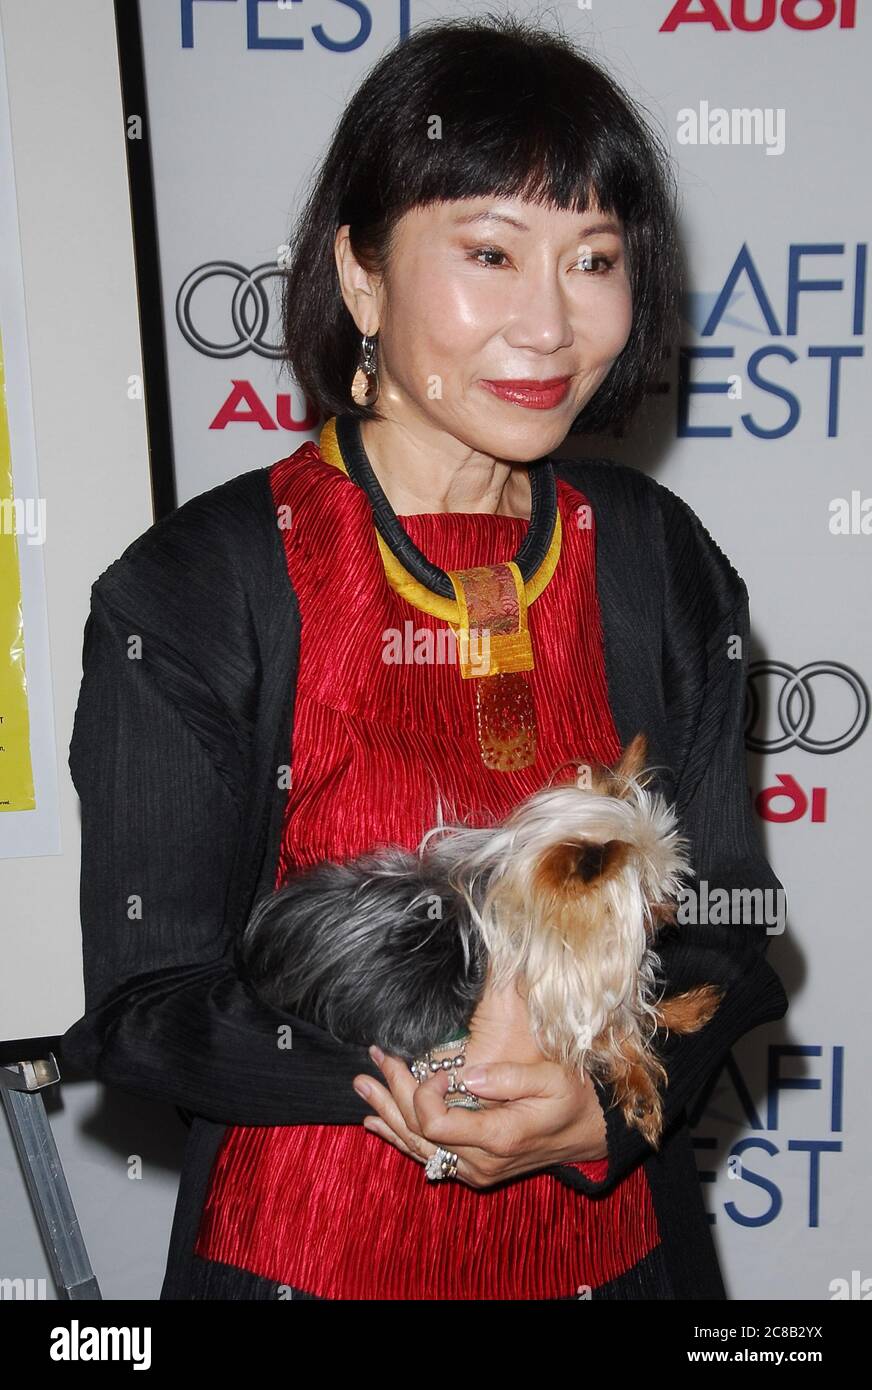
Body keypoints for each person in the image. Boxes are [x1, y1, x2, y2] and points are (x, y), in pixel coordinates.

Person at [62, 14, 789, 1300]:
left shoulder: (652, 555)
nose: (551, 324)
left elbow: (726, 920)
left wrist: (608, 1104)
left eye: (594, 259)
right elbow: (145, 1005)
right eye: (490, 253)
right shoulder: (201, 583)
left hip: (613, 1263)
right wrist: (447, 1061)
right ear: (358, 278)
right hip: (303, 1264)